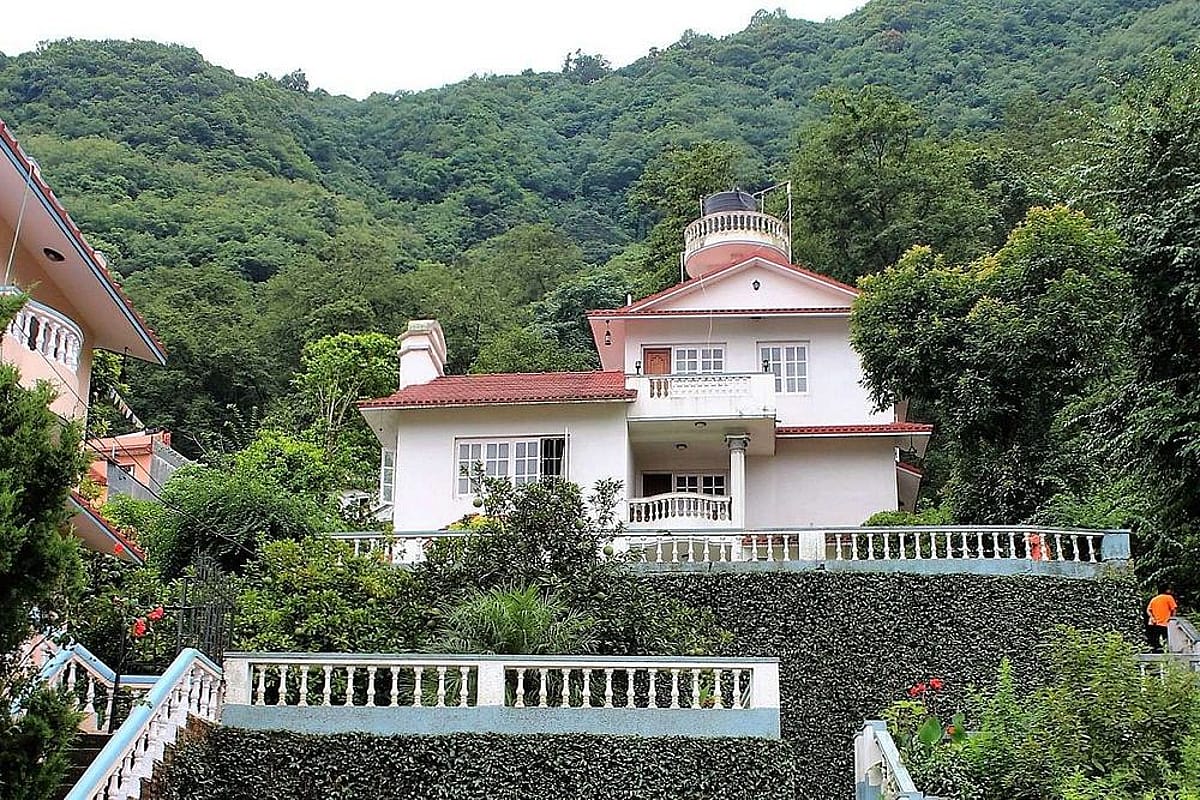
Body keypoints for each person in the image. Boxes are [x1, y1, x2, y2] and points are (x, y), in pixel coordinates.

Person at [1147, 588, 1178, 653]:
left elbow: (1148, 610)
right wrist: (1173, 619)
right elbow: (1174, 609)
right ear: (1166, 590)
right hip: (1165, 623)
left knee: (1155, 641)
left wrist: (1152, 617)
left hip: (1154, 623)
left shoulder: (1154, 599)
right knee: (1166, 640)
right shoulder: (1169, 597)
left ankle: (1155, 653)